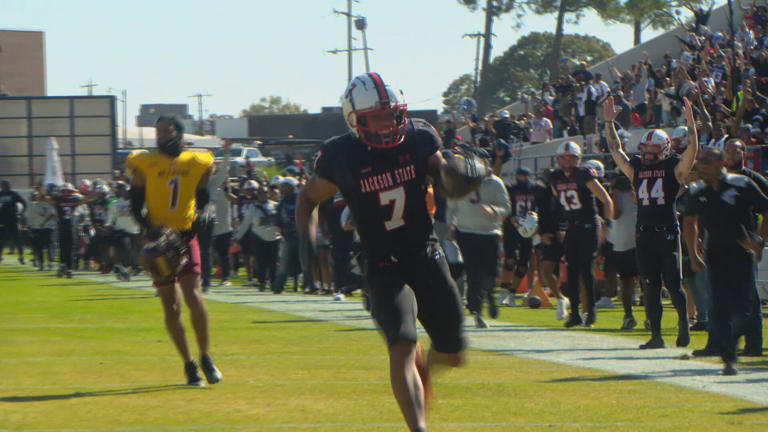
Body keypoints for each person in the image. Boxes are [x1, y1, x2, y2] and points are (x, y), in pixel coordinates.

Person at [296, 72, 468, 432]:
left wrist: (460, 175)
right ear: (354, 120)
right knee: (402, 342)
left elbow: (445, 181)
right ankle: (417, 428)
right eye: (376, 117)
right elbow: (307, 198)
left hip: (424, 251)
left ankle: (426, 370)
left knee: (453, 353)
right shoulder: (341, 156)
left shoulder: (419, 139)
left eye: (391, 114)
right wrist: (306, 242)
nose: (387, 123)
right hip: (381, 260)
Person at [126, 116, 222, 386]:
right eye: (158, 130)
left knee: (193, 296)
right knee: (171, 304)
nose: (160, 135)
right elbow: (135, 203)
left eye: (166, 130)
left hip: (185, 234)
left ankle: (206, 356)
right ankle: (188, 363)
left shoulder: (196, 161)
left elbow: (203, 197)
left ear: (179, 133)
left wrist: (206, 210)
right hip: (158, 238)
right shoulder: (145, 161)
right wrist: (148, 227)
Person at [604, 96, 698, 349]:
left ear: (664, 150)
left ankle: (682, 323)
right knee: (650, 286)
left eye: (652, 152)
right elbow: (615, 150)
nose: (646, 156)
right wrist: (608, 123)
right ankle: (655, 335)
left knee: (674, 284)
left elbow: (692, 153)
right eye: (644, 152)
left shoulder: (673, 168)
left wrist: (691, 125)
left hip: (667, 231)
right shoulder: (636, 168)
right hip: (643, 233)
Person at [683, 147, 768, 375]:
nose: (702, 166)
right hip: (715, 253)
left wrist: (759, 240)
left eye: (707, 162)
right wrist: (693, 255)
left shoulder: (741, 184)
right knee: (720, 308)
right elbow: (689, 222)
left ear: (720, 162)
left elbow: (766, 209)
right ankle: (729, 359)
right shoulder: (697, 190)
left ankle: (735, 342)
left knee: (744, 310)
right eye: (700, 162)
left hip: (741, 253)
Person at [550, 141, 614, 327]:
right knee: (571, 270)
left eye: (571, 158)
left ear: (578, 160)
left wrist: (607, 225)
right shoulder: (555, 177)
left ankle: (590, 313)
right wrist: (562, 226)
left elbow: (606, 200)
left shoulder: (583, 174)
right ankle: (575, 314)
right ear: (558, 160)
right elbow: (560, 204)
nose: (567, 163)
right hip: (572, 226)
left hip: (588, 224)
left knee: (585, 268)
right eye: (563, 158)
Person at [447, 167, 511, 328]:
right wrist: (451, 225)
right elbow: (452, 206)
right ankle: (477, 311)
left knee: (491, 272)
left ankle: (489, 295)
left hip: (490, 233)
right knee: (473, 272)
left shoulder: (495, 183)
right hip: (466, 232)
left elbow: (506, 207)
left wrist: (493, 210)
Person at [723, 139, 766, 356]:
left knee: (750, 296)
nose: (730, 155)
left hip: (745, 243)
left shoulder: (753, 180)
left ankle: (753, 344)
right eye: (727, 151)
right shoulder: (718, 178)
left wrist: (759, 239)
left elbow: (767, 210)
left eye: (735, 151)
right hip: (721, 244)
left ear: (743, 153)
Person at [604, 175, 639, 330]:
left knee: (647, 280)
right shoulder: (615, 194)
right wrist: (614, 194)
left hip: (639, 240)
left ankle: (651, 316)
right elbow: (614, 214)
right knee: (626, 281)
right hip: (621, 242)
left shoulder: (640, 191)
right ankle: (628, 315)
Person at [25, 189, 56, 271]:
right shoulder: (34, 205)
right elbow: (30, 218)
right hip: (38, 227)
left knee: (47, 245)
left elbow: (53, 214)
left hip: (47, 227)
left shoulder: (49, 205)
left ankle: (48, 262)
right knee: (40, 246)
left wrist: (45, 221)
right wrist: (29, 227)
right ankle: (42, 263)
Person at [0, 180, 27, 264]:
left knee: (18, 239)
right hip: (3, 220)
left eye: (7, 185)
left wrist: (21, 213)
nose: (6, 186)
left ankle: (21, 257)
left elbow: (24, 203)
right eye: (4, 185)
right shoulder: (0, 194)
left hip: (13, 220)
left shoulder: (13, 194)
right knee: (1, 240)